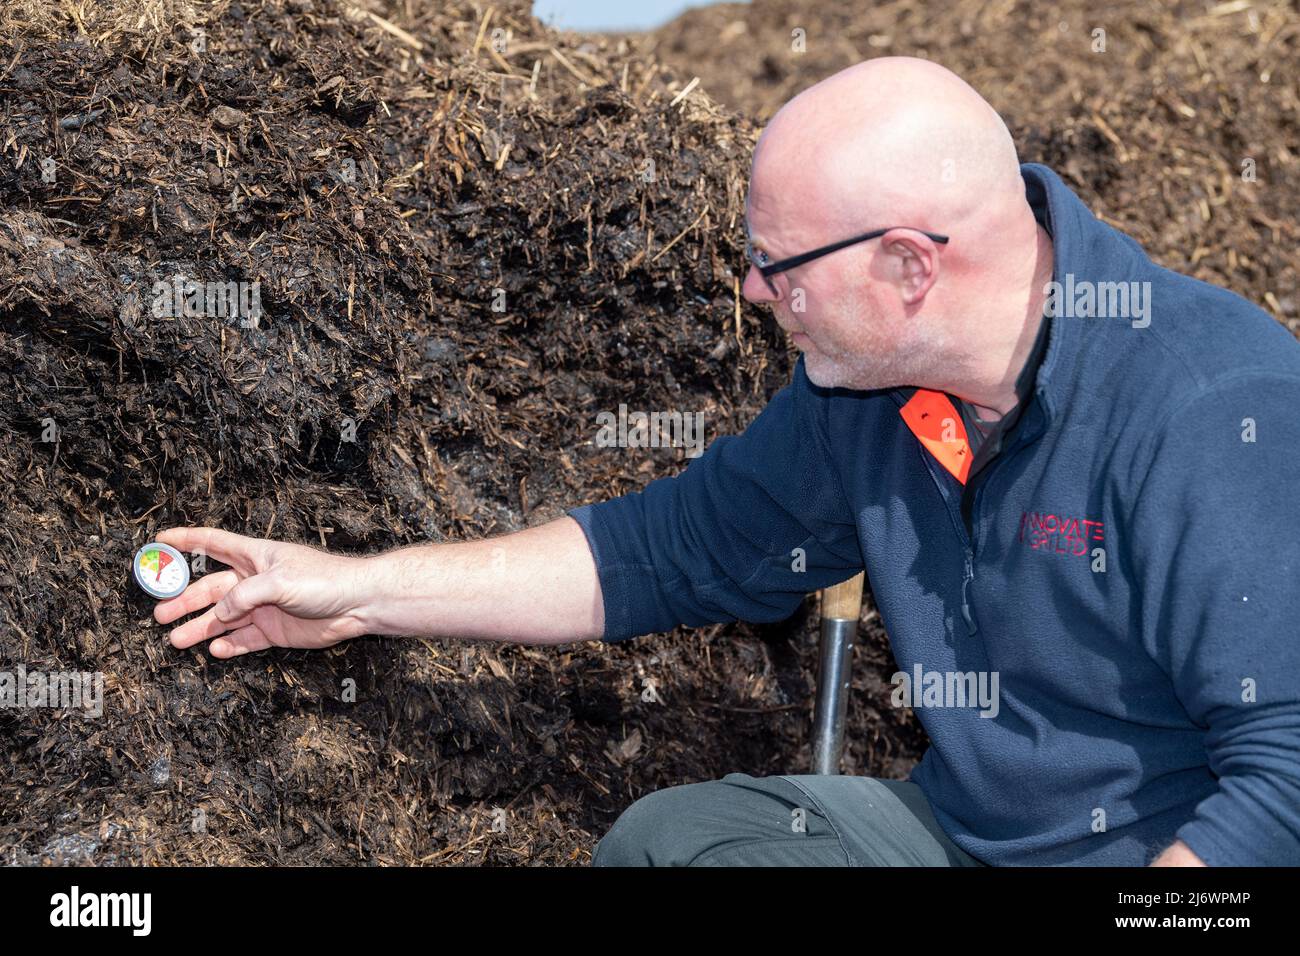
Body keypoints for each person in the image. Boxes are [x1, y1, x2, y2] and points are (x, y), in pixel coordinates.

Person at [153, 57, 1300, 867]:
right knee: (679, 843)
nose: (752, 291)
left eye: (776, 262)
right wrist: (354, 592)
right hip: (976, 833)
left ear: (909, 264)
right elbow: (667, 550)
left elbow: (1285, 783)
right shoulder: (863, 390)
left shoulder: (1210, 405)